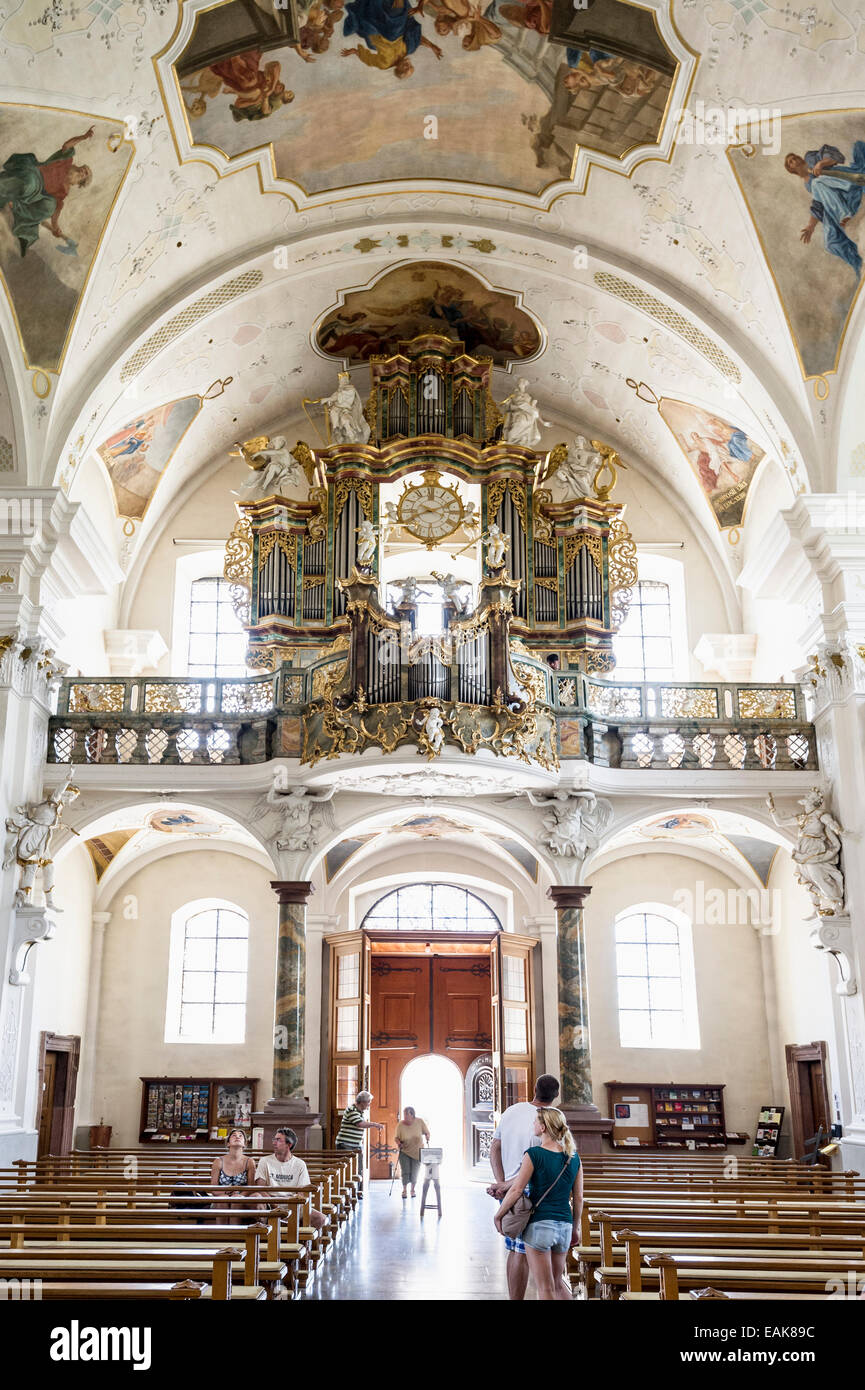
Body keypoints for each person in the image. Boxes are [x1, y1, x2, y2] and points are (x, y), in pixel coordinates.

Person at [494, 1107, 582, 1301]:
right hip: (565, 1226)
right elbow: (578, 1199)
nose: (533, 1124)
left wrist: (499, 1214)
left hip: (540, 1224)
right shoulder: (573, 1157)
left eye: (535, 1121)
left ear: (542, 1127)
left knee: (546, 1288)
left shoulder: (534, 1154)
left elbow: (517, 1189)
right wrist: (575, 1227)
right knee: (558, 1284)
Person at [487, 1073, 561, 1300]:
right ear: (556, 1095)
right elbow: (549, 1162)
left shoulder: (511, 1111)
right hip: (534, 1192)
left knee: (516, 1249)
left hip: (511, 1189)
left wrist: (502, 1183)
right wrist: (508, 1184)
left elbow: (494, 1148)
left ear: (534, 1089)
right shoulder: (554, 1116)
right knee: (532, 1253)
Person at [254, 1127, 326, 1230]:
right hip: (270, 1203)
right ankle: (267, 1241)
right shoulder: (265, 1161)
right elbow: (260, 1188)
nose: (274, 1143)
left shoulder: (300, 1164)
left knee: (321, 1219)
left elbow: (303, 1191)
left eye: (278, 1140)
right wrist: (275, 1206)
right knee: (260, 1209)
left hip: (293, 1204)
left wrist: (293, 1208)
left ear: (289, 1144)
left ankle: (303, 1243)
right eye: (274, 1139)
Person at [336, 1090, 383, 1193]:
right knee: (347, 1170)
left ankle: (357, 1192)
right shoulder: (351, 1109)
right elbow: (360, 1124)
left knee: (358, 1169)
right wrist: (375, 1125)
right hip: (345, 1144)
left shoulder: (360, 1112)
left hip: (356, 1145)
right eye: (368, 1102)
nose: (369, 1105)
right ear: (362, 1102)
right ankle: (346, 1192)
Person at [209, 1128, 256, 1224]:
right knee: (222, 1200)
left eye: (240, 1136)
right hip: (221, 1197)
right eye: (234, 1135)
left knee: (236, 1201)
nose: (237, 1137)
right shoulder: (218, 1161)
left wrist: (240, 1195)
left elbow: (251, 1187)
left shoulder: (249, 1161)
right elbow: (213, 1188)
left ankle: (236, 1235)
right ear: (228, 1143)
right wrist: (225, 1194)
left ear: (244, 1144)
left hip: (242, 1197)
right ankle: (223, 1234)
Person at [394, 1105, 430, 1198]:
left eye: (407, 1115)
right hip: (404, 1151)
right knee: (405, 1171)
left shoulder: (419, 1122)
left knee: (415, 1172)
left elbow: (427, 1132)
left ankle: (412, 1190)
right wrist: (399, 1143)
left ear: (412, 1115)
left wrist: (427, 1136)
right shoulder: (400, 1124)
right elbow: (396, 1138)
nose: (405, 1117)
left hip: (417, 1151)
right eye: (404, 1115)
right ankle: (404, 1190)